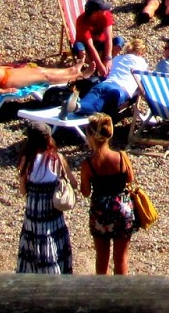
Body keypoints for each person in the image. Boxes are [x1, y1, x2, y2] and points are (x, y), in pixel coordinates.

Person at [79, 113, 138, 274]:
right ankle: (122, 294)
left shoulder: (89, 164)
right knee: (121, 258)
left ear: (91, 135)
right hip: (122, 209)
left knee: (102, 257)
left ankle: (101, 293)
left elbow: (85, 192)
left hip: (100, 211)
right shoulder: (121, 157)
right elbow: (130, 180)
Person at [16, 124, 75, 273]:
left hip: (33, 213)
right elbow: (73, 183)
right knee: (54, 241)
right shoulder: (57, 159)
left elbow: (23, 191)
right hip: (52, 212)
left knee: (33, 246)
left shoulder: (27, 160)